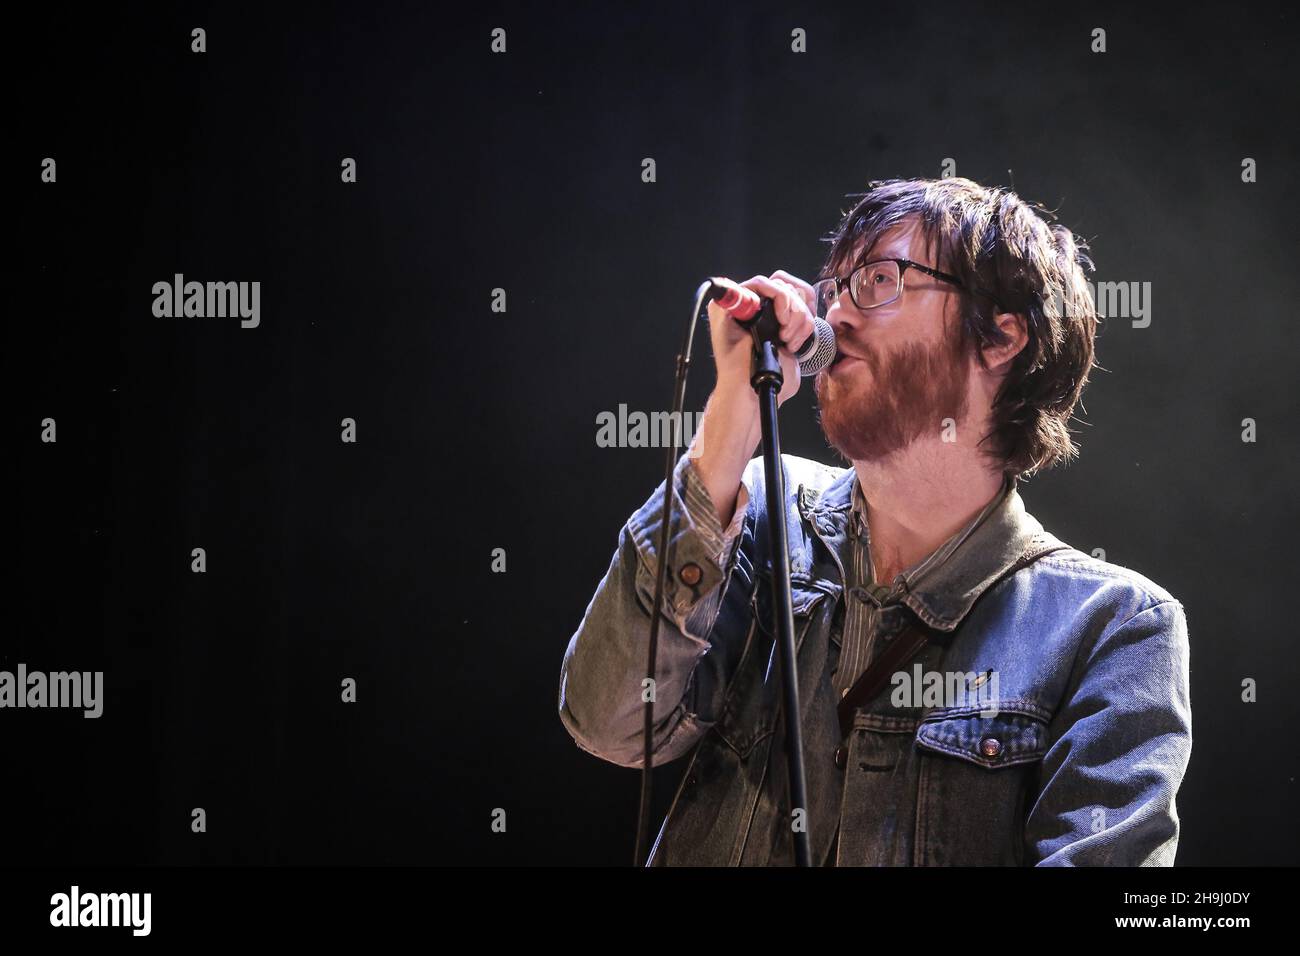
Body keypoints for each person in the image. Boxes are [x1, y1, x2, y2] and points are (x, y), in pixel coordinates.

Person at [558, 177, 1192, 866]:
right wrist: (730, 424)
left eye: (882, 279)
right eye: (838, 287)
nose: (838, 315)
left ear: (1002, 336)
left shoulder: (1110, 625)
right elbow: (609, 722)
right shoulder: (759, 511)